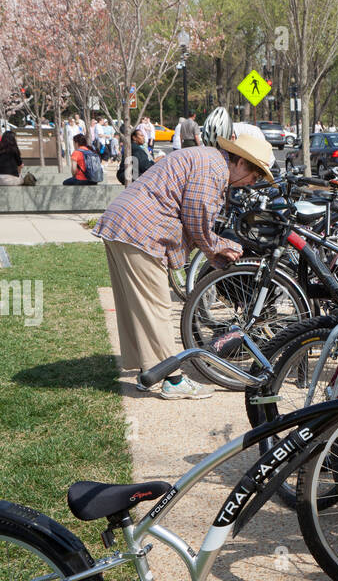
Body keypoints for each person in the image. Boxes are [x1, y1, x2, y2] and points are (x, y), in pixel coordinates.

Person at [94, 134, 274, 398]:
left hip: (125, 224)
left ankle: (150, 370)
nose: (251, 183)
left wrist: (212, 250)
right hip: (140, 230)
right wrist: (220, 246)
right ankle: (173, 380)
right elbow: (196, 217)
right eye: (254, 176)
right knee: (156, 306)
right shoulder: (213, 169)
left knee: (137, 306)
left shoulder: (210, 160)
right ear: (241, 163)